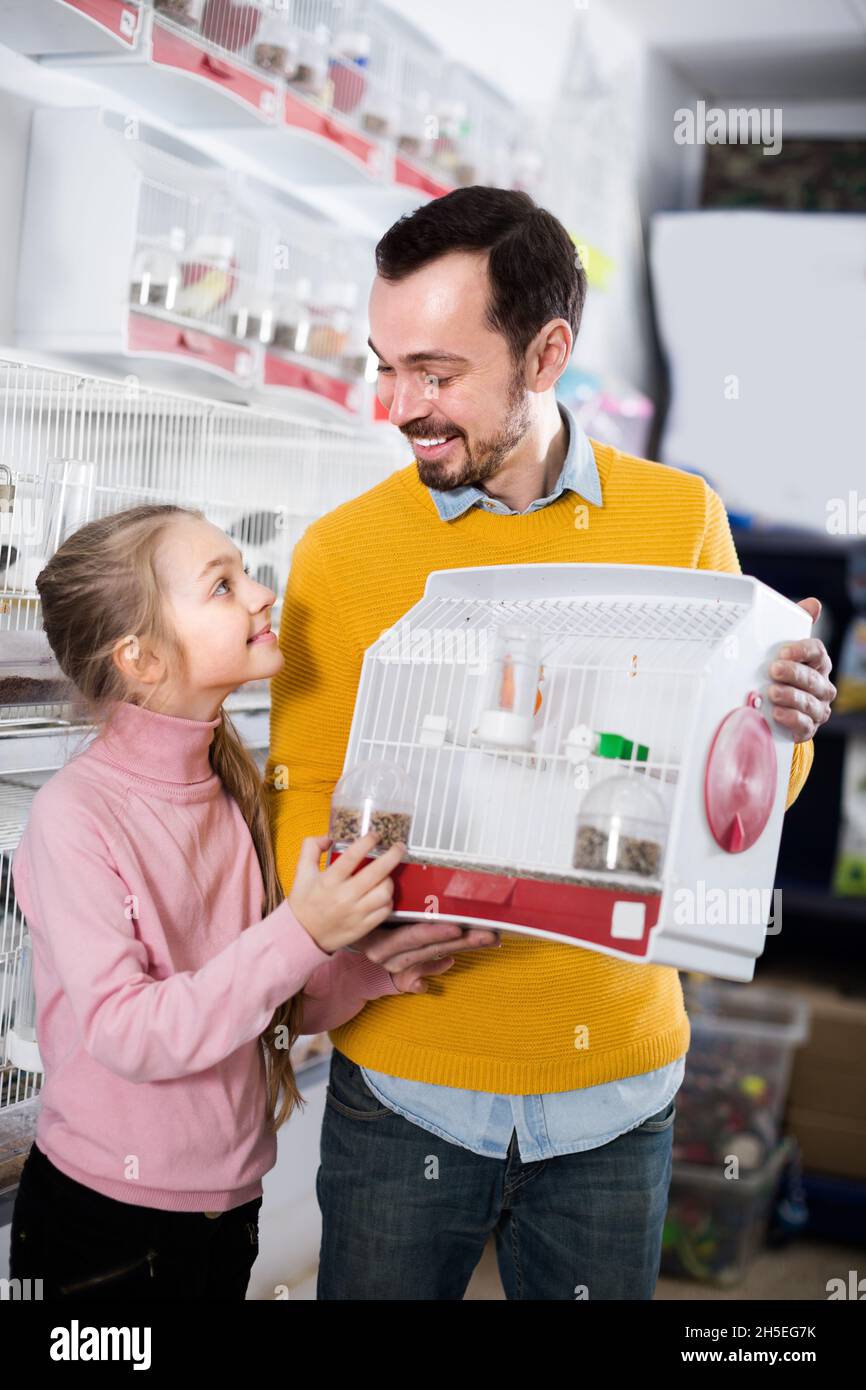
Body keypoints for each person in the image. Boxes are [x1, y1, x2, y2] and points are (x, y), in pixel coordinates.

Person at [268, 186, 836, 1300]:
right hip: (408, 1084)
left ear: (547, 354)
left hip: (613, 1086)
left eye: (435, 373)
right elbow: (304, 790)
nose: (399, 406)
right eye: (385, 368)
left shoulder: (678, 518)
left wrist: (782, 725)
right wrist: (345, 935)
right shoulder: (341, 554)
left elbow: (744, 792)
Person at [8, 502, 497, 1300]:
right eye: (222, 585)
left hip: (228, 1208)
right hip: (105, 1220)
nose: (264, 593)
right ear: (141, 658)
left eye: (245, 573)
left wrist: (367, 969)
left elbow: (256, 1009)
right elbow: (131, 1034)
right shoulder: (77, 817)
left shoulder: (231, 790)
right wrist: (303, 931)